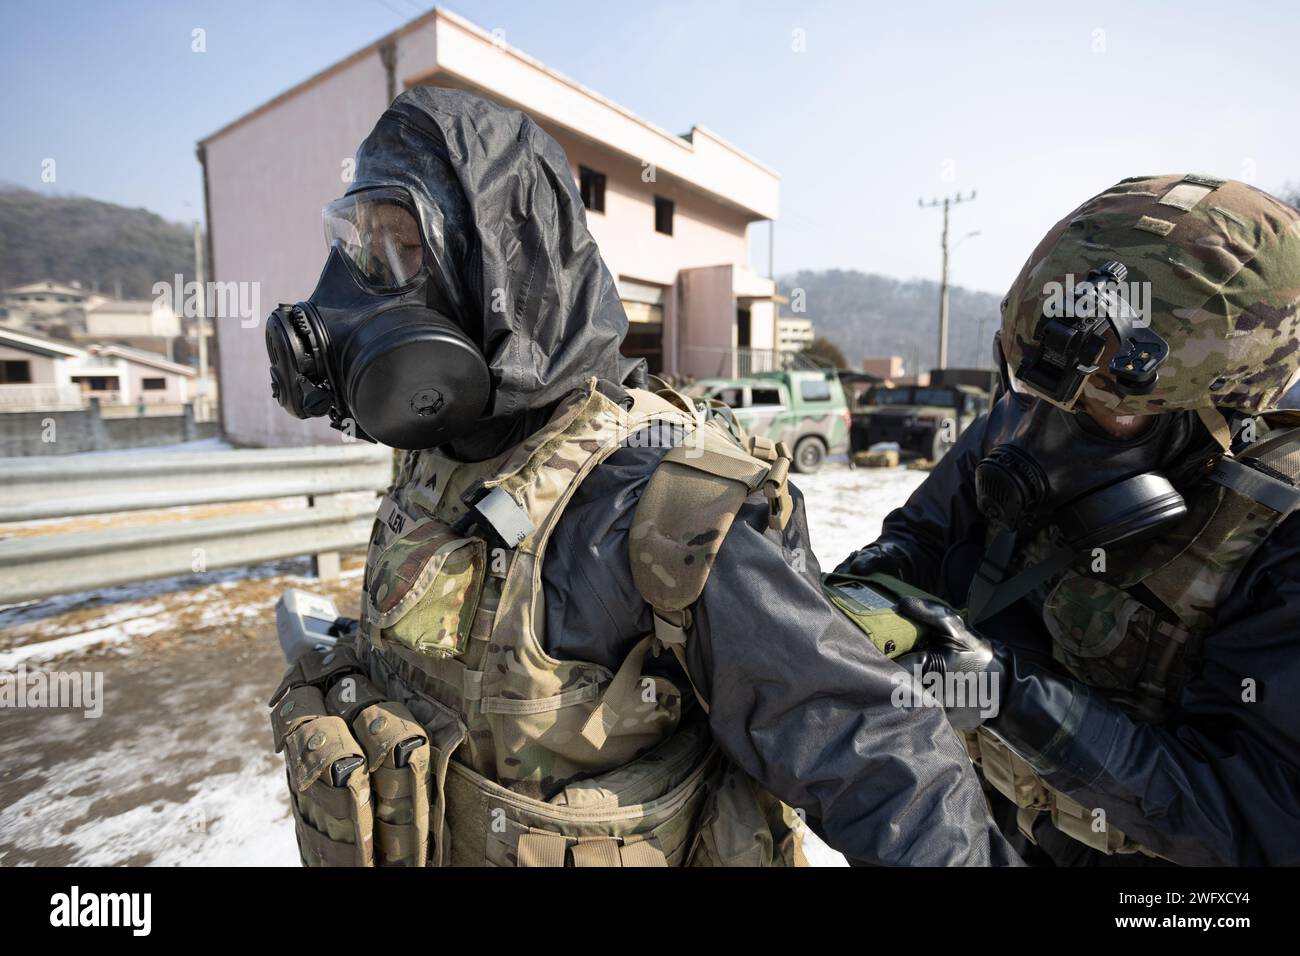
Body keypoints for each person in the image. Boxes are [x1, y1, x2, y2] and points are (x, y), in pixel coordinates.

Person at [262, 87, 1017, 867]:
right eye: (366, 247)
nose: (368, 283)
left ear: (496, 261)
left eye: (404, 248)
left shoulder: (656, 493)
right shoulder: (436, 460)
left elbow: (876, 750)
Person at [839, 174, 1300, 866]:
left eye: (1110, 408)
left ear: (1228, 413)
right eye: (1031, 388)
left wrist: (1009, 694)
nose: (1042, 436)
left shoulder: (1279, 532)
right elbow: (925, 539)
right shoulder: (1017, 423)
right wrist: (875, 584)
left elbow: (1256, 817)